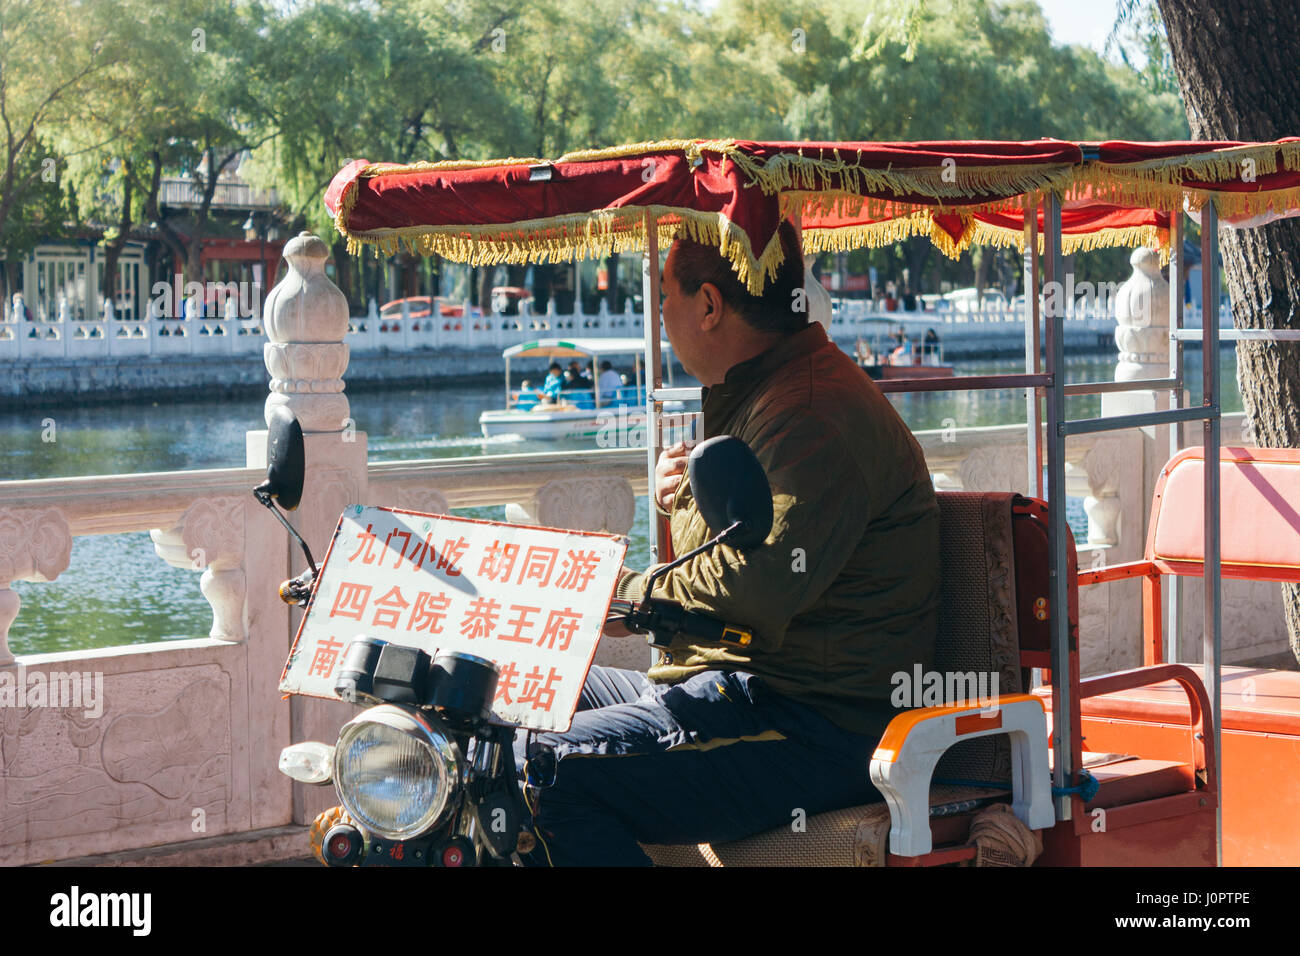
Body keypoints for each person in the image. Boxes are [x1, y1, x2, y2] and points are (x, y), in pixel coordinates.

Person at [514, 219, 940, 866]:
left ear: (709, 305)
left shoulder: (812, 414)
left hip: (810, 722)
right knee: (503, 703)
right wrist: (681, 496)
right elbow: (747, 533)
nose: (659, 316)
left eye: (665, 298)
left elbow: (753, 585)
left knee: (545, 772)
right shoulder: (767, 398)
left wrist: (619, 595)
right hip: (727, 686)